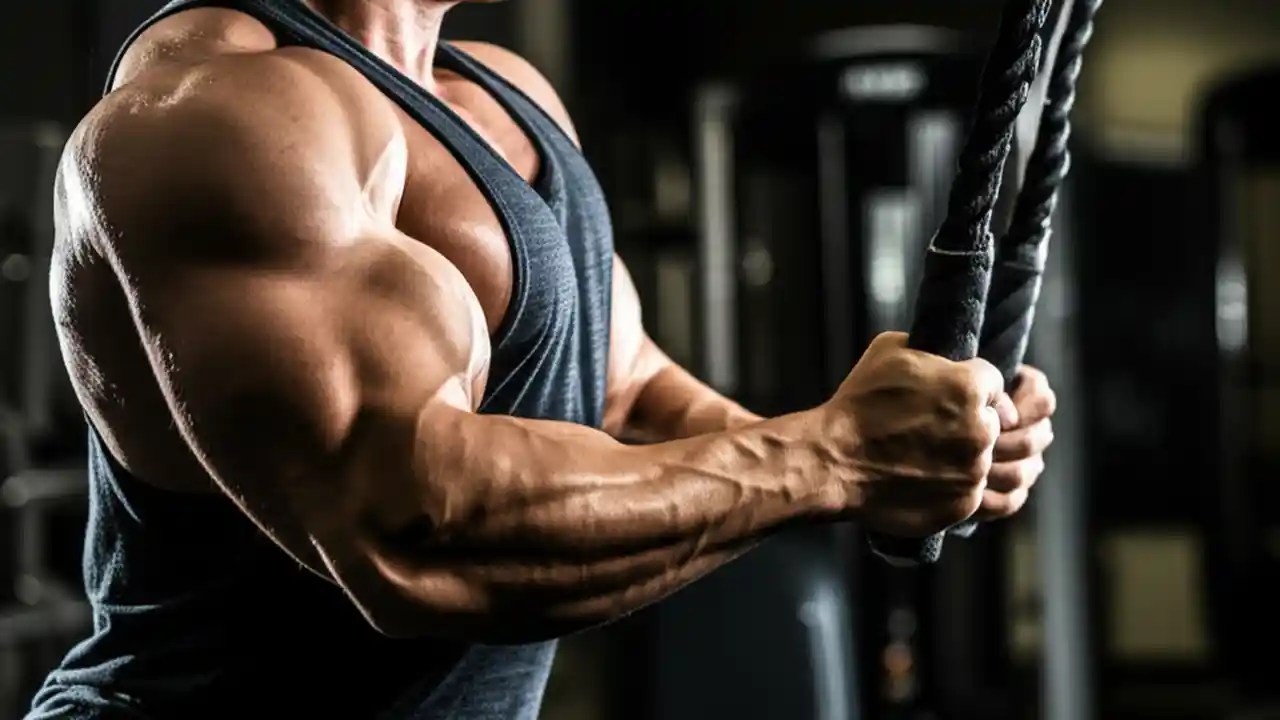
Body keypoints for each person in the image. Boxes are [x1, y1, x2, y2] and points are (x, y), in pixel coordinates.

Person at [30, 0, 1058, 717]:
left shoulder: (503, 95)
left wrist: (904, 451)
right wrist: (831, 458)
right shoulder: (221, 114)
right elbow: (416, 533)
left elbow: (627, 389)